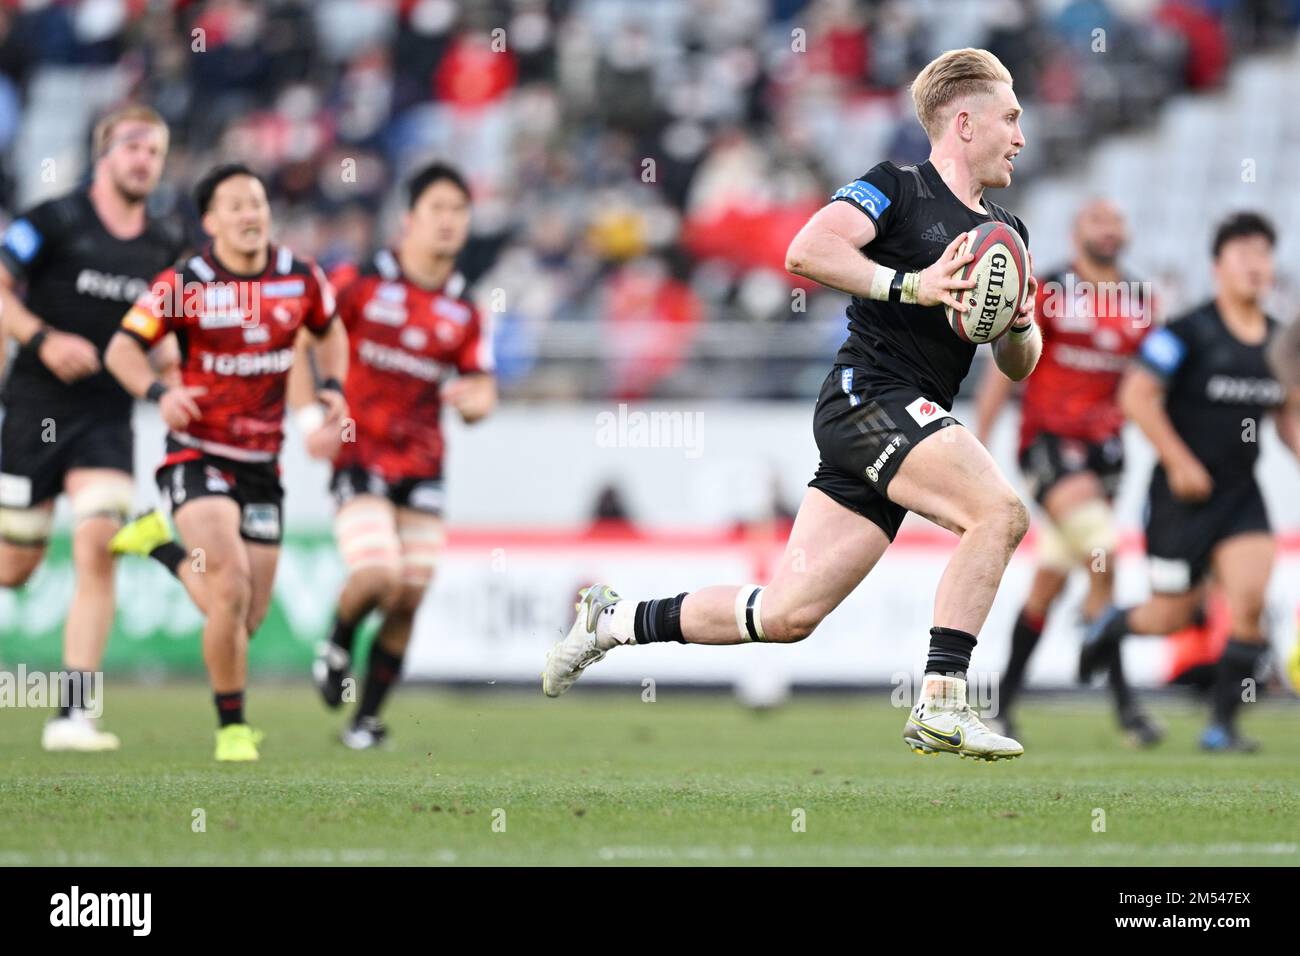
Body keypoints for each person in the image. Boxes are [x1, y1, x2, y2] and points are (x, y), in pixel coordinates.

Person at [542, 48, 1042, 761]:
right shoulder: (896, 187)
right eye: (1011, 118)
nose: (1021, 136)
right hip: (867, 399)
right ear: (964, 122)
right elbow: (807, 250)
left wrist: (1018, 320)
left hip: (902, 423)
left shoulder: (1010, 236)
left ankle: (613, 620)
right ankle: (943, 702)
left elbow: (1020, 364)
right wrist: (913, 285)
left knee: (786, 613)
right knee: (999, 512)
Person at [103, 164, 348, 761]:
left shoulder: (300, 278)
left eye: (257, 202)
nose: (250, 214)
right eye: (235, 205)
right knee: (230, 585)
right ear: (210, 222)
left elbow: (331, 330)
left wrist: (333, 386)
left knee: (244, 618)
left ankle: (159, 545)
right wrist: (162, 395)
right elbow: (120, 349)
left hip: (263, 466)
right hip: (198, 454)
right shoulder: (184, 284)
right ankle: (232, 730)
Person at [0, 105, 183, 751]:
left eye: (156, 152)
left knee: (99, 541)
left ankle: (73, 714)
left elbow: (163, 338)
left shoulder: (163, 247)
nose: (145, 161)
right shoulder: (52, 220)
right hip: (35, 408)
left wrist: (173, 382)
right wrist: (43, 338)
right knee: (15, 565)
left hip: (106, 415)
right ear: (104, 153)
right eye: (134, 146)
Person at [296, 161, 496, 749]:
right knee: (378, 574)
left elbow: (483, 389)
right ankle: (337, 640)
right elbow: (300, 339)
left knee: (410, 591)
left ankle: (367, 720)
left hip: (424, 462)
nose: (448, 222)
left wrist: (472, 402)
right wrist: (312, 418)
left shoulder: (464, 307)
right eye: (437, 209)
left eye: (459, 212)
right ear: (409, 220)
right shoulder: (360, 281)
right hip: (359, 451)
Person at [1082, 212, 1300, 752]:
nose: (1256, 266)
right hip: (1180, 498)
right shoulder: (1187, 332)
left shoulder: (1279, 343)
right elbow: (1135, 396)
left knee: (1248, 602)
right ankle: (1110, 627)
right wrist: (1179, 461)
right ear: (1217, 266)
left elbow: (1289, 415)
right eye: (1243, 254)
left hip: (1240, 496)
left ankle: (1221, 726)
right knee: (1170, 616)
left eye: (1264, 255)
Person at [973, 198, 1161, 745]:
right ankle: (1120, 694)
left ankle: (1003, 706)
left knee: (1049, 582)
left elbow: (1152, 384)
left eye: (1116, 220)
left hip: (1106, 456)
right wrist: (979, 446)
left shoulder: (1143, 300)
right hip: (1050, 447)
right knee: (1104, 549)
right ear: (1077, 230)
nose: (1109, 229)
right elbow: (1004, 371)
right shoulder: (1048, 290)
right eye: (1097, 220)